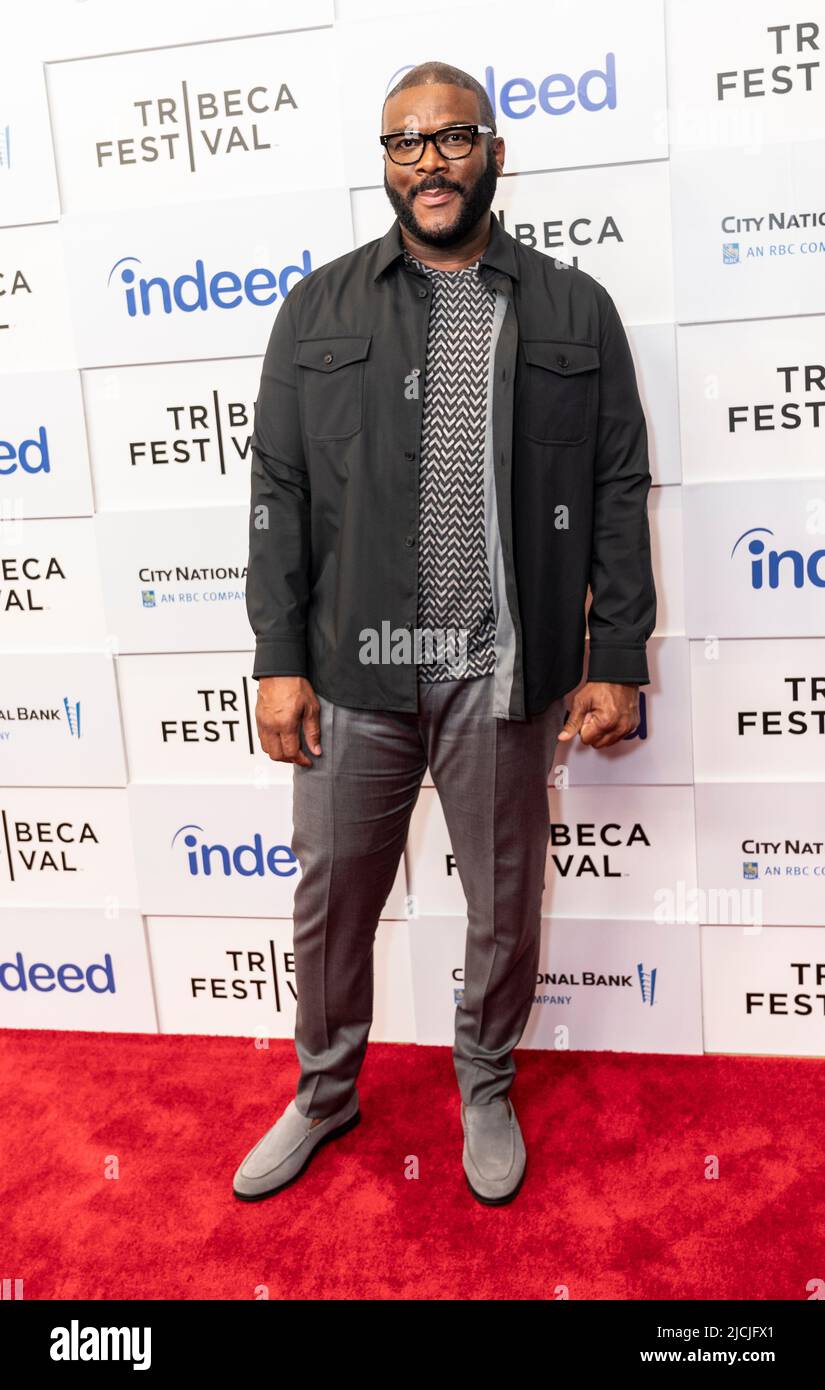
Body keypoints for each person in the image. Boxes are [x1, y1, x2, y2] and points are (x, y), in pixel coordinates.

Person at [234, 60, 656, 1206]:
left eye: (453, 136)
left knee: (505, 896)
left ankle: (483, 1079)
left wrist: (616, 657)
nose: (429, 158)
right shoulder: (318, 307)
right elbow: (278, 487)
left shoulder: (574, 308)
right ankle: (325, 1089)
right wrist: (277, 658)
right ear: (385, 164)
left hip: (500, 669)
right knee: (331, 897)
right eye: (405, 142)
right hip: (353, 668)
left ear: (494, 154)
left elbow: (618, 487)